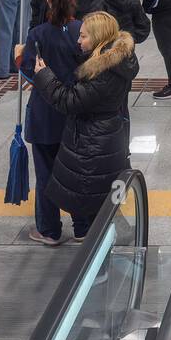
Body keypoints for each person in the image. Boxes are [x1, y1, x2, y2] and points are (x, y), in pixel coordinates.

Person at [31, 12, 139, 242]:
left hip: (93, 141)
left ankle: (100, 260)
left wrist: (44, 76)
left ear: (98, 38)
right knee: (101, 198)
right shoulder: (117, 61)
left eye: (83, 36)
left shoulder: (103, 72)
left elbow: (69, 101)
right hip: (109, 135)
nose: (78, 41)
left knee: (93, 201)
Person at [17, 0, 83, 246]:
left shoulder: (38, 34)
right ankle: (83, 226)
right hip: (75, 112)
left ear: (47, 1)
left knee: (46, 172)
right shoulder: (82, 31)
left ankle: (50, 230)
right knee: (78, 171)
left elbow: (29, 70)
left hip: (44, 113)